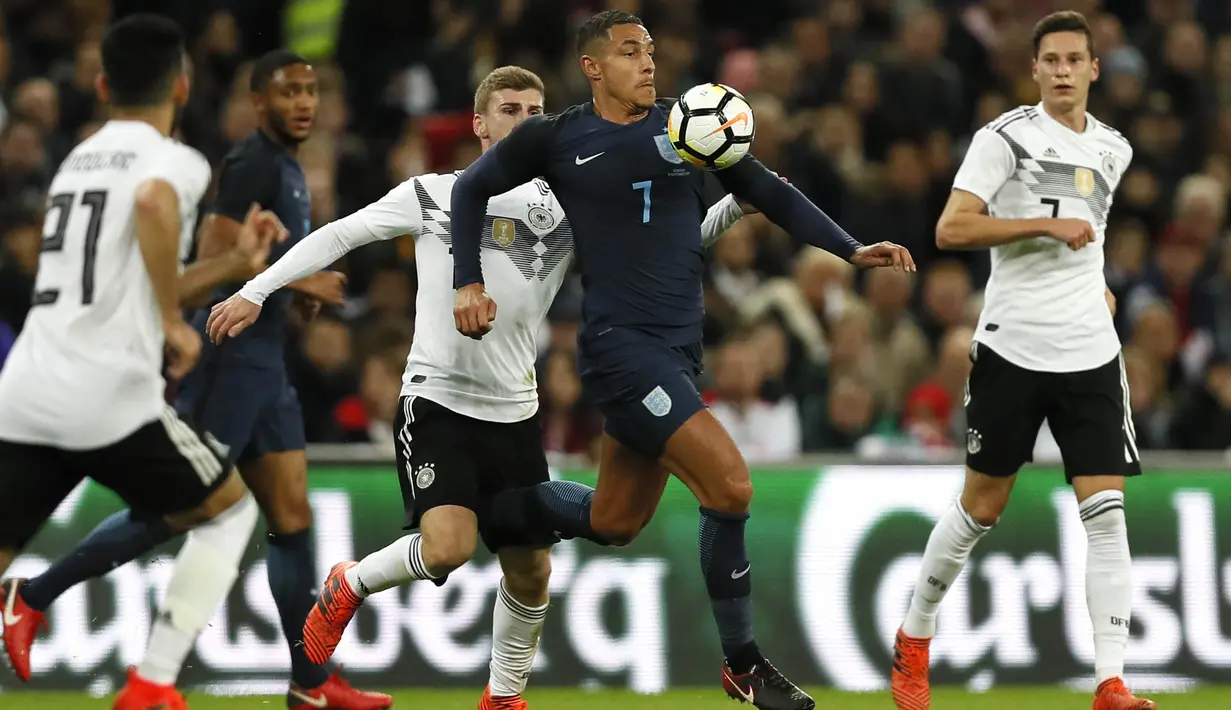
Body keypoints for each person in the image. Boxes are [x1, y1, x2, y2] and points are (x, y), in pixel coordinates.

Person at [206, 64, 753, 710]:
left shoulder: (568, 205)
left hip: (515, 410)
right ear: (479, 124)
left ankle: (502, 698)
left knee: (531, 570)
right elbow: (341, 233)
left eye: (535, 112)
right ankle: (350, 583)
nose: (524, 121)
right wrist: (255, 290)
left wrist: (734, 207)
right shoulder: (434, 194)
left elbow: (659, 247)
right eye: (509, 110)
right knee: (447, 549)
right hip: (437, 401)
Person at [448, 10, 915, 710]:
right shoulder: (558, 137)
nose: (647, 62)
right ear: (592, 67)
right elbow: (468, 189)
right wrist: (468, 281)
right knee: (729, 487)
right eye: (628, 52)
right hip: (620, 349)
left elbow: (765, 189)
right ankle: (743, 664)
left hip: (675, 351)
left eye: (650, 50)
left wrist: (848, 248)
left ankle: (494, 508)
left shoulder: (688, 123)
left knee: (614, 521)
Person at [2, 49, 384, 710]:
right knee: (190, 506)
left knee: (291, 517)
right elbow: (214, 258)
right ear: (256, 102)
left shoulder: (286, 167)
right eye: (288, 92)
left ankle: (311, 681)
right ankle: (35, 596)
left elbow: (246, 261)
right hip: (231, 360)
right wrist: (298, 280)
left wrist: (289, 287)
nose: (303, 103)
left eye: (310, 91)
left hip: (267, 365)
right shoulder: (250, 164)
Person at [0, 15, 276, 709]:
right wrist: (168, 324)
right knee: (227, 510)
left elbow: (133, 279)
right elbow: (153, 208)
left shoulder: (76, 160)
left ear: (101, 86)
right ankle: (152, 682)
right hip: (107, 395)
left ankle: (21, 602)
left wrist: (233, 265)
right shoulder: (175, 161)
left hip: (27, 388)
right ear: (181, 86)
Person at [890, 12, 1153, 710]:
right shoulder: (1002, 138)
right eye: (1051, 60)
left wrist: (1095, 281)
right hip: (1012, 344)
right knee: (981, 506)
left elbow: (1090, 234)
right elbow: (951, 228)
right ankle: (915, 633)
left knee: (1106, 514)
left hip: (1089, 351)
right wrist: (1042, 224)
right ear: (1034, 70)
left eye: (1074, 59)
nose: (1063, 70)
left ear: (1094, 68)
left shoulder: (1114, 148)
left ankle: (1110, 681)